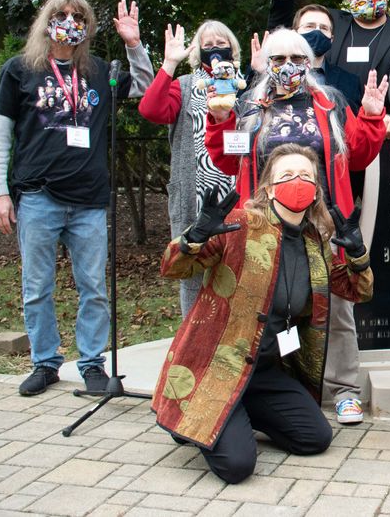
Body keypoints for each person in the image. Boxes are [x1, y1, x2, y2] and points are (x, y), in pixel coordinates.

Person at [152, 143, 373, 483]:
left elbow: (359, 291)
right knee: (237, 467)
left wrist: (357, 254)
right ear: (269, 188)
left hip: (266, 370)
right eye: (286, 175)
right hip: (219, 366)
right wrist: (195, 235)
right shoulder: (240, 224)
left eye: (305, 176)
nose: (296, 181)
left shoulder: (315, 243)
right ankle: (196, 415)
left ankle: (235, 411)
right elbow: (172, 268)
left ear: (315, 191)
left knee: (315, 438)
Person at [205, 27, 386, 423]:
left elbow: (357, 156)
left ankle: (343, 390)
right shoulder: (249, 106)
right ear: (266, 65)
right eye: (279, 59)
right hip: (266, 222)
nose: (289, 67)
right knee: (265, 303)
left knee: (336, 305)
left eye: (298, 59)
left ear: (311, 63)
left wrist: (372, 118)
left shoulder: (330, 103)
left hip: (322, 221)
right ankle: (263, 388)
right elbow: (226, 160)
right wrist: (219, 121)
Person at [0, 0, 153, 396]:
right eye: (61, 14)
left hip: (89, 200)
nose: (69, 21)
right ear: (46, 20)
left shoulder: (99, 71)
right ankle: (45, 363)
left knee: (93, 287)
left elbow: (146, 89)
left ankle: (92, 363)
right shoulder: (19, 70)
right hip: (38, 196)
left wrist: (133, 44)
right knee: (37, 286)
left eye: (78, 15)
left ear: (88, 25)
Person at [137, 20, 240, 316]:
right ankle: (193, 349)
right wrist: (169, 63)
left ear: (233, 49)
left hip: (236, 194)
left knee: (239, 268)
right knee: (193, 272)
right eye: (207, 45)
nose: (215, 49)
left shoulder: (245, 86)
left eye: (221, 43)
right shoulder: (184, 85)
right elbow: (151, 110)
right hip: (192, 197)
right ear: (196, 52)